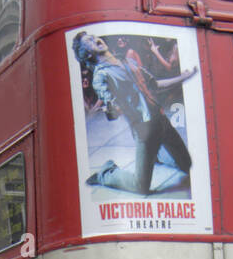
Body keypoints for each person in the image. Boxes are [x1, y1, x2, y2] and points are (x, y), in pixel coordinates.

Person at [72, 30, 198, 195]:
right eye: (89, 40)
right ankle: (105, 173)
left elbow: (155, 84)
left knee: (187, 165)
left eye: (94, 36)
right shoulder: (100, 77)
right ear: (87, 54)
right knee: (141, 188)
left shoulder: (128, 61)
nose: (96, 38)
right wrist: (113, 108)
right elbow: (112, 107)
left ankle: (155, 155)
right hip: (144, 132)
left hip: (162, 122)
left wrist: (183, 78)